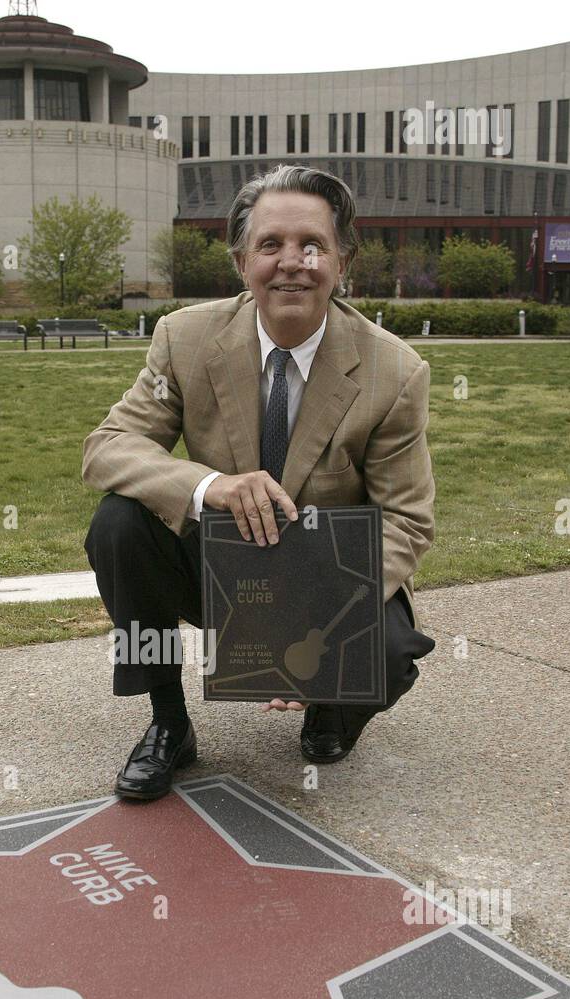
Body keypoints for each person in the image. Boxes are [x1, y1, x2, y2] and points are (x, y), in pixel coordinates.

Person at [83, 164, 435, 800]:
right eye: (271, 245)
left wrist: (315, 625)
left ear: (342, 260)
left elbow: (407, 522)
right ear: (242, 260)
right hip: (217, 565)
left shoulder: (396, 371)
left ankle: (334, 709)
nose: (291, 262)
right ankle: (169, 724)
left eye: (312, 245)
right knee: (118, 523)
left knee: (388, 657)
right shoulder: (185, 337)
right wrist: (209, 484)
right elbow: (108, 448)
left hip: (329, 570)